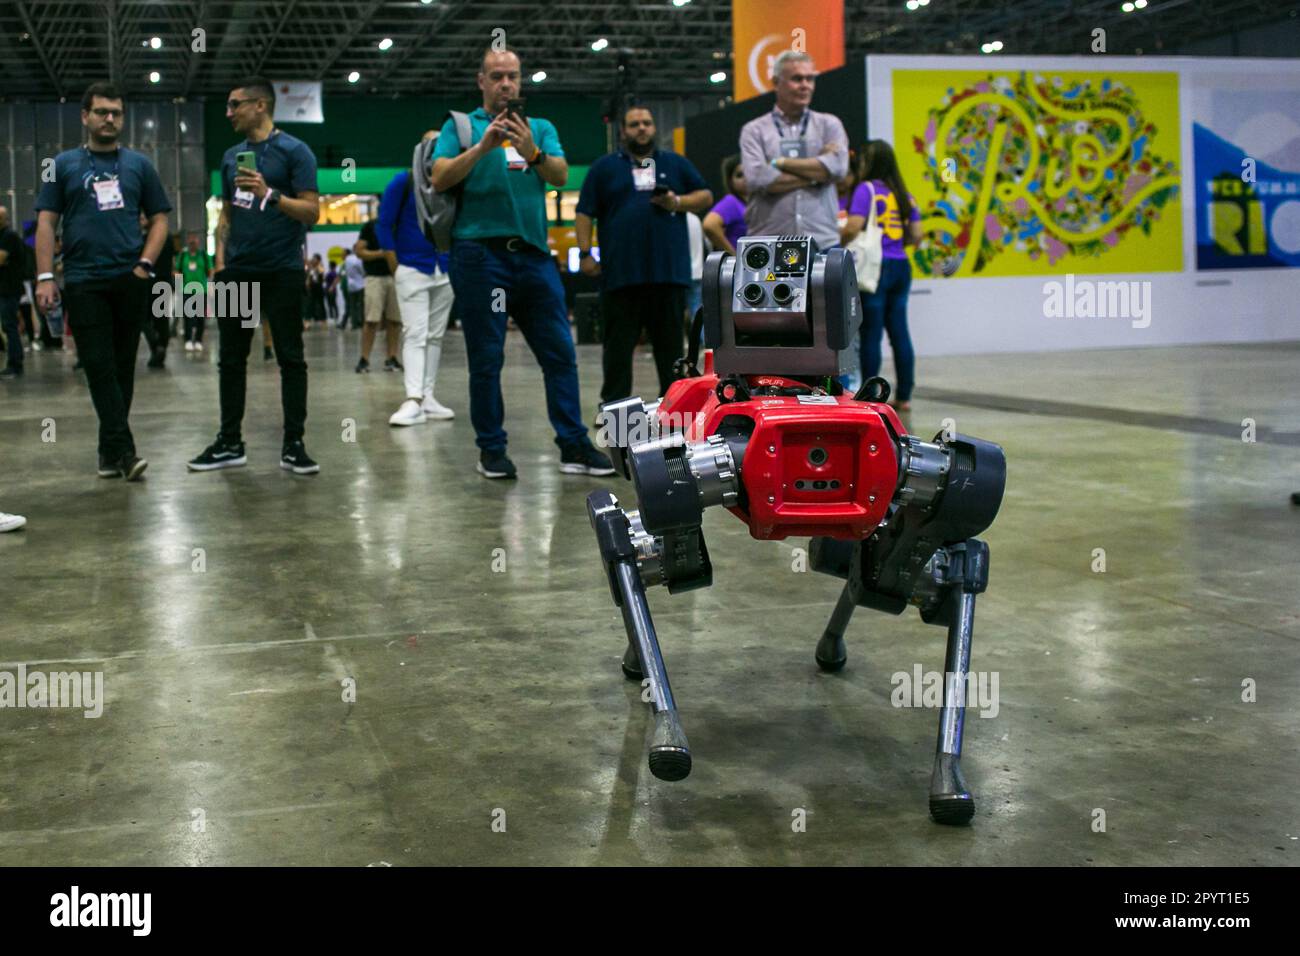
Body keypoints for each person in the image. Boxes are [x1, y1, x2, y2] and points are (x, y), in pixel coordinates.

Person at [431, 46, 613, 480]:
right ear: (481, 81)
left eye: (512, 76)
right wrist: (483, 146)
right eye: (496, 76)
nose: (506, 84)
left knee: (559, 354)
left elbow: (560, 175)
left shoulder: (540, 127)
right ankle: (492, 449)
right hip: (479, 256)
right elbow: (439, 177)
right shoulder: (460, 126)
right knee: (488, 357)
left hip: (532, 257)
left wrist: (530, 150)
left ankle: (573, 444)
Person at [34, 81, 172, 481]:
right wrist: (45, 276)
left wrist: (145, 264)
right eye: (101, 112)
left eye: (116, 112)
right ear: (85, 116)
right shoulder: (62, 165)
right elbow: (46, 221)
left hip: (129, 278)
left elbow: (161, 217)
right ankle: (126, 453)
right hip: (83, 280)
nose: (109, 119)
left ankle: (107, 452)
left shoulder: (139, 166)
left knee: (123, 368)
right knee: (97, 365)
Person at [187, 76, 321, 475]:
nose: (228, 113)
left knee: (290, 358)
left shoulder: (296, 152)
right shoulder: (231, 157)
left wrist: (271, 194)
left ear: (260, 105)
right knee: (231, 359)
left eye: (235, 105)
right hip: (237, 272)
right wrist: (221, 261)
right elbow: (227, 213)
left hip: (281, 270)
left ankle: (294, 444)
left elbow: (313, 212)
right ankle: (230, 442)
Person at [575, 105, 712, 407]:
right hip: (620, 278)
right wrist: (585, 253)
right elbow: (584, 212)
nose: (641, 128)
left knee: (672, 356)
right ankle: (619, 424)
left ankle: (672, 420)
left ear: (653, 128)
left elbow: (705, 195)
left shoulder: (674, 163)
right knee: (617, 356)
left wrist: (676, 201)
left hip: (668, 276)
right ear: (623, 130)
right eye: (634, 124)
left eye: (647, 123)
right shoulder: (604, 167)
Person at [378, 133, 456, 426]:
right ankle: (413, 399)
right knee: (415, 333)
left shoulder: (453, 181)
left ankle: (428, 396)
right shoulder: (404, 181)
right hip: (412, 267)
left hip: (445, 268)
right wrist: (394, 264)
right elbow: (384, 223)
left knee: (435, 335)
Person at [739, 50, 849, 252]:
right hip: (768, 242)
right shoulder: (754, 130)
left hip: (822, 240)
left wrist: (779, 163)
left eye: (810, 79)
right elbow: (757, 178)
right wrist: (819, 170)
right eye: (797, 79)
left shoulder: (829, 125)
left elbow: (840, 169)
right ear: (775, 82)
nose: (805, 85)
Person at [841, 140, 922, 412]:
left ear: (869, 162)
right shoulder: (904, 193)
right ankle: (905, 395)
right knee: (900, 331)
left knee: (871, 332)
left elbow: (853, 227)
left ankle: (871, 394)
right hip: (901, 265)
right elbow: (917, 235)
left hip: (875, 268)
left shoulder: (867, 189)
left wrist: (833, 240)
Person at [354, 210, 401, 373]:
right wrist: (382, 254)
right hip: (374, 278)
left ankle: (392, 357)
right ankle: (364, 359)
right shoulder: (371, 226)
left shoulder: (399, 226)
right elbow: (359, 251)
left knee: (395, 320)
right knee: (371, 320)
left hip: (395, 277)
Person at [702, 155, 748, 256]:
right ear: (730, 181)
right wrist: (733, 255)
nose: (746, 178)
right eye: (739, 175)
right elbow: (709, 225)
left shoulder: (753, 203)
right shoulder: (731, 202)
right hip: (737, 267)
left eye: (750, 172)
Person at [0, 205, 26, 379]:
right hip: (5, 288)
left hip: (9, 289)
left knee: (10, 326)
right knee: (8, 326)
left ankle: (15, 364)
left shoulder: (8, 236)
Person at [176, 231, 212, 352]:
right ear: (188, 241)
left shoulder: (203, 255)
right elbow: (177, 270)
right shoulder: (183, 256)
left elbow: (210, 271)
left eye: (194, 239)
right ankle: (187, 340)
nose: (192, 242)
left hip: (201, 290)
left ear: (198, 241)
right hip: (187, 290)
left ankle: (198, 340)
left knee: (200, 317)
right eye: (190, 239)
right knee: (188, 316)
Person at [342, 249, 365, 329]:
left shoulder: (346, 260)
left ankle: (354, 324)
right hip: (360, 285)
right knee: (361, 305)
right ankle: (361, 323)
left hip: (351, 286)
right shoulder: (357, 259)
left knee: (352, 306)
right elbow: (362, 271)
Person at [323, 259, 339, 324]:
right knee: (330, 303)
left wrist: (332, 287)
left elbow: (336, 280)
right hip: (327, 288)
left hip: (331, 289)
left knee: (333, 303)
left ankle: (336, 316)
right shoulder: (329, 272)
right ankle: (331, 317)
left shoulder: (334, 273)